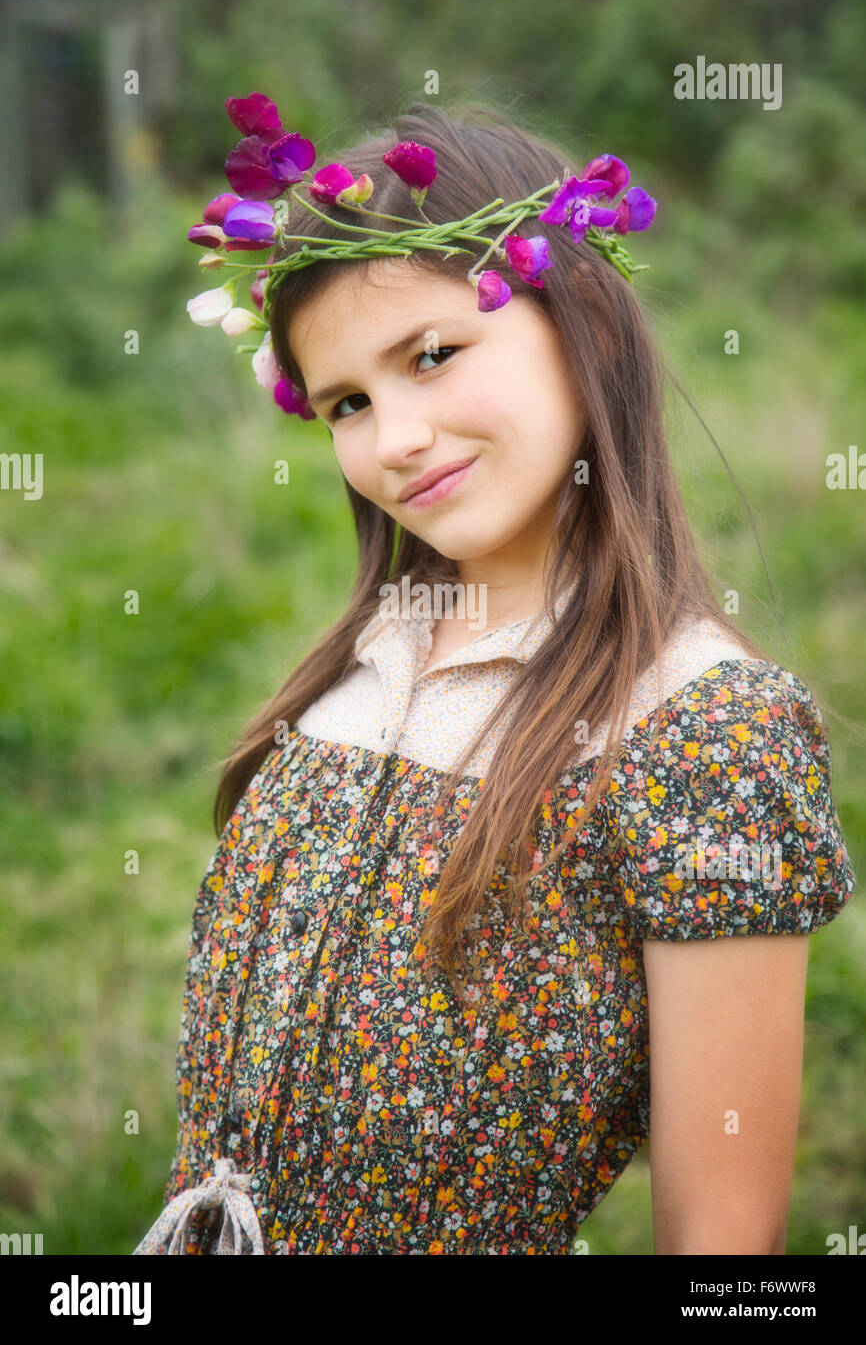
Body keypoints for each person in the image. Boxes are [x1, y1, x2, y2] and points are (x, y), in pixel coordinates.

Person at [134, 97, 856, 1255]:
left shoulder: (700, 727)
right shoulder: (365, 667)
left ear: (588, 330)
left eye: (431, 354)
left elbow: (721, 1246)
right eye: (347, 405)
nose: (395, 438)